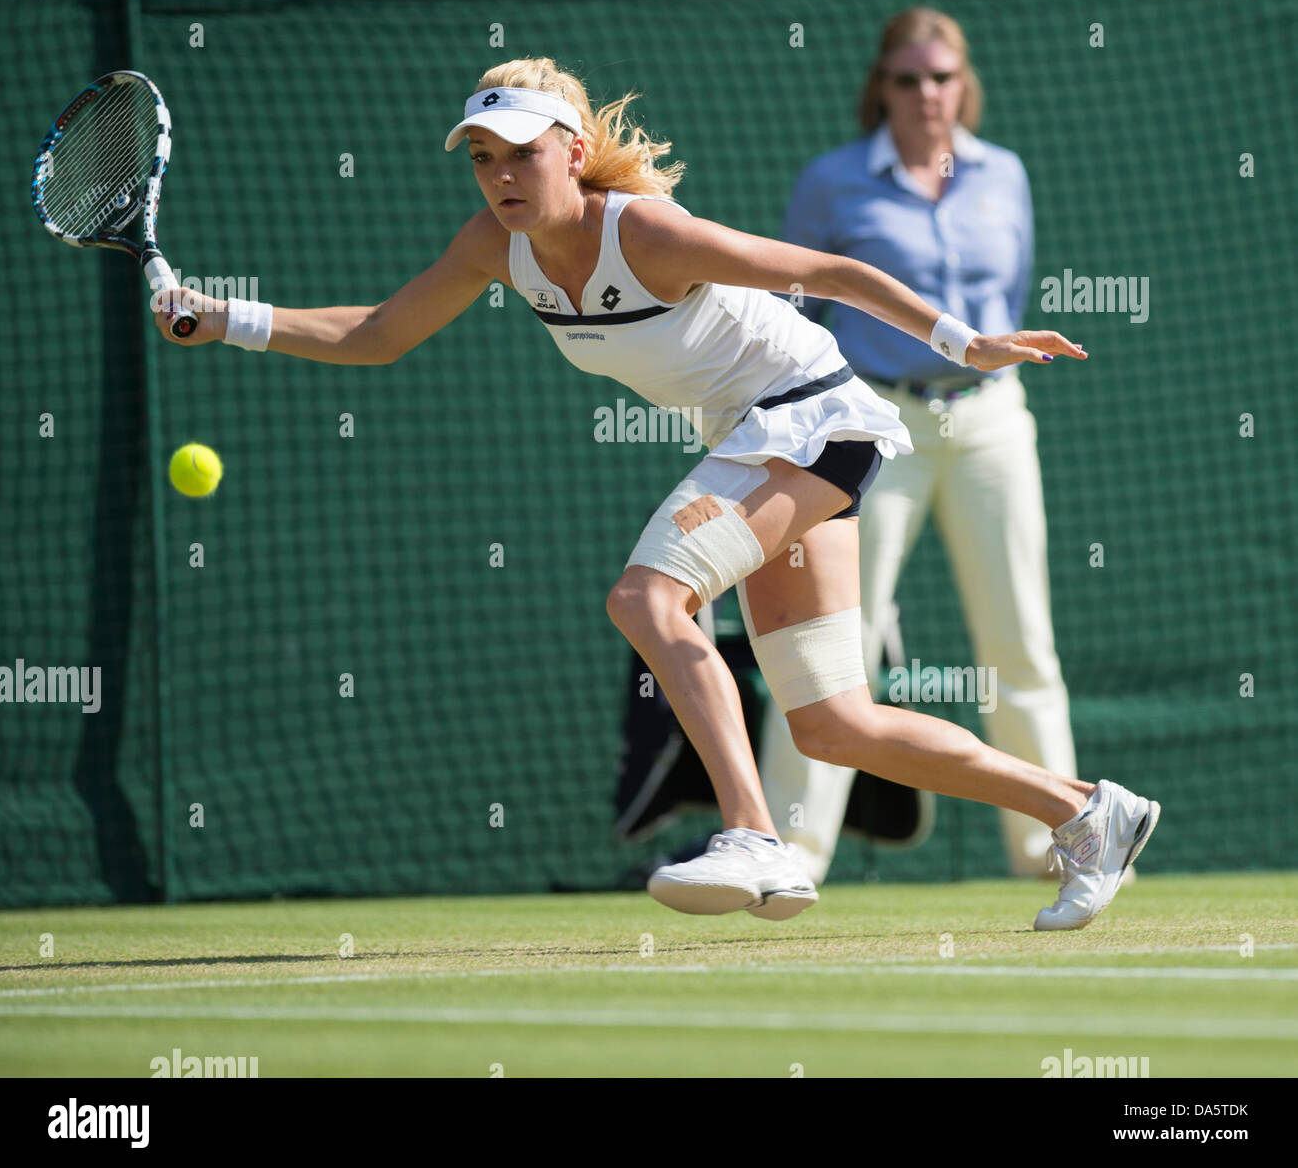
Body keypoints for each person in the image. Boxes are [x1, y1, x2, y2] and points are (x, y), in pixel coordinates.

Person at [152, 56, 1158, 931]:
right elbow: (378, 334)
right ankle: (1083, 811)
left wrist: (963, 342)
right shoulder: (492, 246)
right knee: (831, 723)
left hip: (810, 419)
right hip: (767, 439)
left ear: (575, 149)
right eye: (483, 158)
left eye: (523, 154)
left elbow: (828, 269)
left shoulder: (649, 233)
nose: (501, 176)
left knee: (647, 596)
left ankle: (753, 834)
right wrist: (229, 316)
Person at [761, 6, 1085, 886]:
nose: (926, 95)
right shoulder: (832, 181)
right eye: (908, 79)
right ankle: (789, 852)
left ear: (962, 84)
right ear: (882, 87)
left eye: (941, 77)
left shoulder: (1003, 174)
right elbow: (794, 310)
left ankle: (1060, 841)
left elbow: (1007, 295)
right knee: (834, 641)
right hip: (875, 424)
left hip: (990, 419)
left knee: (1020, 640)